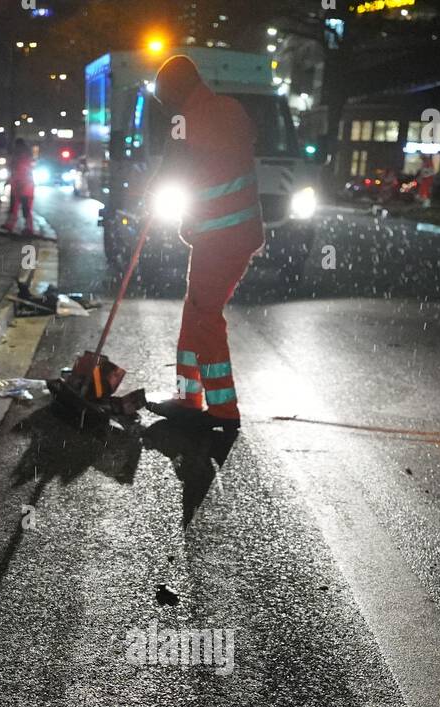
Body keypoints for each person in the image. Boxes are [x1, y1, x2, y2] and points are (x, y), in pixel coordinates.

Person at [147, 54, 264, 442]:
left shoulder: (192, 122)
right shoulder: (228, 110)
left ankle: (224, 411)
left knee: (205, 316)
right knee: (194, 310)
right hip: (223, 235)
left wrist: (156, 190)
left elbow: (176, 168)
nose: (165, 106)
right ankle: (187, 397)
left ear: (179, 90)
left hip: (223, 239)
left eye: (165, 98)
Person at [4, 138, 34, 233]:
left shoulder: (23, 159)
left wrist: (16, 181)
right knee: (15, 207)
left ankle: (28, 227)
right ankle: (11, 225)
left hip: (24, 186)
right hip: (20, 185)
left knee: (24, 207)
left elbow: (22, 172)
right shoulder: (20, 158)